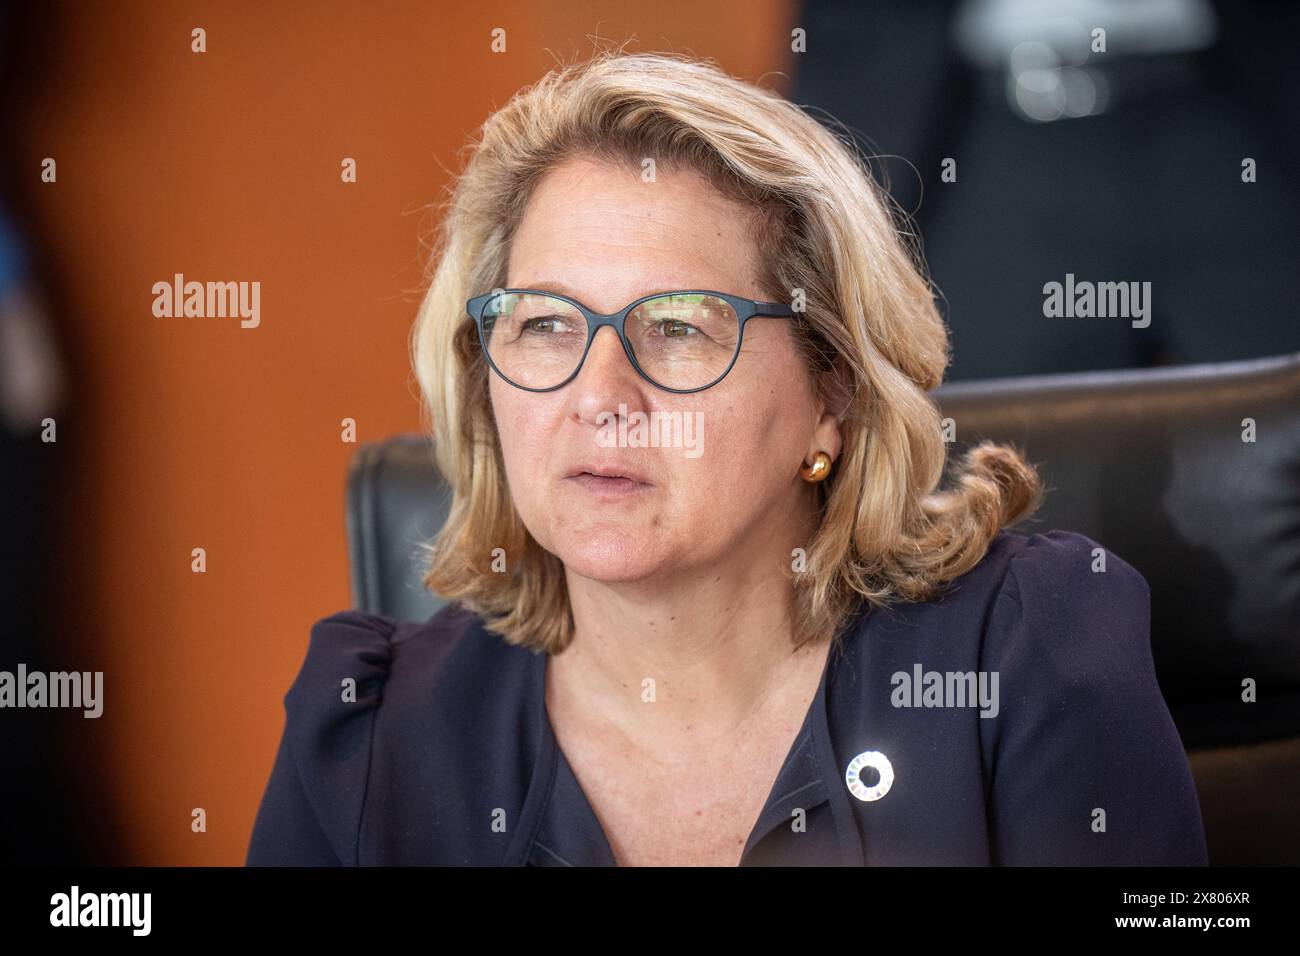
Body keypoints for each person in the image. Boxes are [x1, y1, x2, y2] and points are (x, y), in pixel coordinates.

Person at [247, 51, 1207, 866]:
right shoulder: (369, 737)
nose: (600, 397)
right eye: (545, 324)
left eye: (676, 328)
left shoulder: (1023, 652)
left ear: (832, 392)